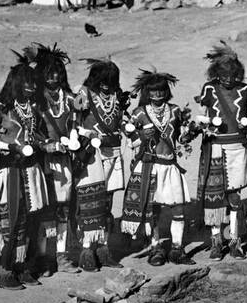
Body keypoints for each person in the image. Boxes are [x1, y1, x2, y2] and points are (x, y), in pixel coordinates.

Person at [0, 51, 49, 289]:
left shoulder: (32, 107)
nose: (32, 87)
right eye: (27, 83)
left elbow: (38, 134)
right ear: (16, 83)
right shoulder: (1, 108)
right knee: (10, 219)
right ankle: (4, 270)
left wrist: (45, 144)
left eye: (34, 83)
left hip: (31, 170)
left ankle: (21, 266)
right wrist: (9, 146)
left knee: (28, 218)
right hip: (10, 171)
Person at [123, 69, 194, 265]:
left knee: (178, 207)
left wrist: (188, 135)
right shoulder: (139, 112)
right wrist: (139, 137)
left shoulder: (176, 110)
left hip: (170, 164)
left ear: (166, 91)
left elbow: (180, 137)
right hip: (150, 166)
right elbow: (129, 135)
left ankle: (177, 249)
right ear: (147, 92)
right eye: (153, 91)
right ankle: (156, 248)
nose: (157, 94)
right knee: (152, 209)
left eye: (161, 90)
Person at [195, 42, 247, 260]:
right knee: (215, 198)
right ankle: (215, 242)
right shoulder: (209, 89)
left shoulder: (245, 90)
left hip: (237, 148)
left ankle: (235, 241)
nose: (228, 79)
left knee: (235, 197)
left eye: (232, 74)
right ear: (216, 73)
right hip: (216, 147)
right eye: (223, 74)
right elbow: (201, 116)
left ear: (238, 73)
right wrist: (205, 124)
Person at [73, 59, 133, 269]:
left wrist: (128, 127)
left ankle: (104, 249)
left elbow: (122, 119)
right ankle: (87, 250)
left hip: (114, 151)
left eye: (110, 80)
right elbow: (74, 122)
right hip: (92, 153)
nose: (106, 85)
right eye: (103, 80)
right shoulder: (83, 94)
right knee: (91, 201)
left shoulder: (118, 96)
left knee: (107, 202)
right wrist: (86, 134)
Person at [32, 44, 82, 274]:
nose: (53, 77)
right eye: (48, 72)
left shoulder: (70, 98)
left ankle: (61, 256)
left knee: (63, 208)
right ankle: (42, 257)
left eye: (57, 72)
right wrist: (45, 145)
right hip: (42, 163)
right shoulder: (35, 101)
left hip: (64, 161)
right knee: (45, 210)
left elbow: (76, 122)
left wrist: (73, 136)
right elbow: (30, 130)